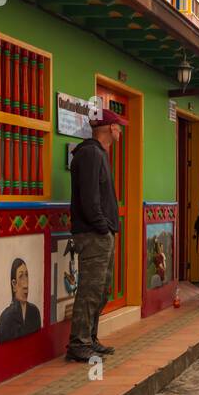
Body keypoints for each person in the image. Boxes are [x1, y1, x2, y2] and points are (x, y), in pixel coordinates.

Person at [66, 108, 125, 362]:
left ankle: (90, 338)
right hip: (93, 234)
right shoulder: (90, 153)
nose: (120, 131)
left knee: (101, 289)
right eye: (119, 126)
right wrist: (103, 227)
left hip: (100, 232)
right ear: (111, 128)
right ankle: (78, 343)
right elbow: (89, 199)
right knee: (90, 290)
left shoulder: (98, 153)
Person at [0, 257, 41, 343]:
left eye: (26, 275)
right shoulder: (6, 318)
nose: (26, 285)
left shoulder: (34, 312)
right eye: (21, 277)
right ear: (14, 284)